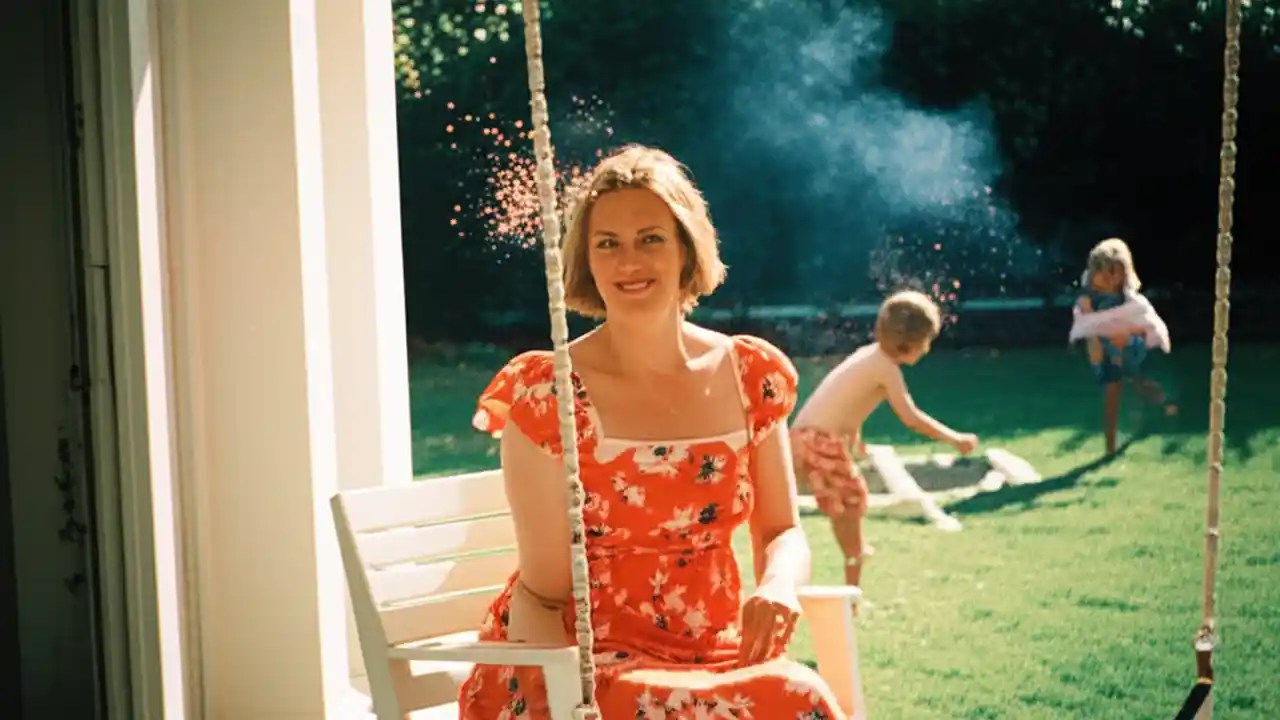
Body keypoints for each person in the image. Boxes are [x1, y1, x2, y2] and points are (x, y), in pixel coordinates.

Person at [459, 145, 846, 718]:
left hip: (716, 658)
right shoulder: (547, 393)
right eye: (607, 244)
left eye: (650, 239)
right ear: (585, 260)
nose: (628, 261)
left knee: (796, 697)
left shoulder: (750, 376)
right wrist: (562, 697)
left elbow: (782, 530)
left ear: (686, 249)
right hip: (581, 665)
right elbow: (543, 596)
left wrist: (779, 585)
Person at [790, 290, 978, 587]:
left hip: (803, 438)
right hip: (818, 441)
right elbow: (911, 418)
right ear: (912, 343)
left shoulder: (868, 356)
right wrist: (956, 439)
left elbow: (849, 401)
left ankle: (854, 557)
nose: (927, 349)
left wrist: (855, 438)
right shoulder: (886, 369)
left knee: (845, 505)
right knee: (851, 500)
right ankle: (854, 564)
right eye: (927, 342)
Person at [1070, 237, 1176, 455]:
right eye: (1101, 271)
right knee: (1113, 388)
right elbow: (1086, 325)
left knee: (1141, 383)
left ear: (1124, 273)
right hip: (1107, 354)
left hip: (1132, 350)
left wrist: (1127, 335)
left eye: (1113, 272)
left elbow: (1146, 324)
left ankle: (1160, 404)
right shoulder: (1088, 300)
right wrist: (1091, 321)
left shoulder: (1130, 301)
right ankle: (1110, 445)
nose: (1107, 278)